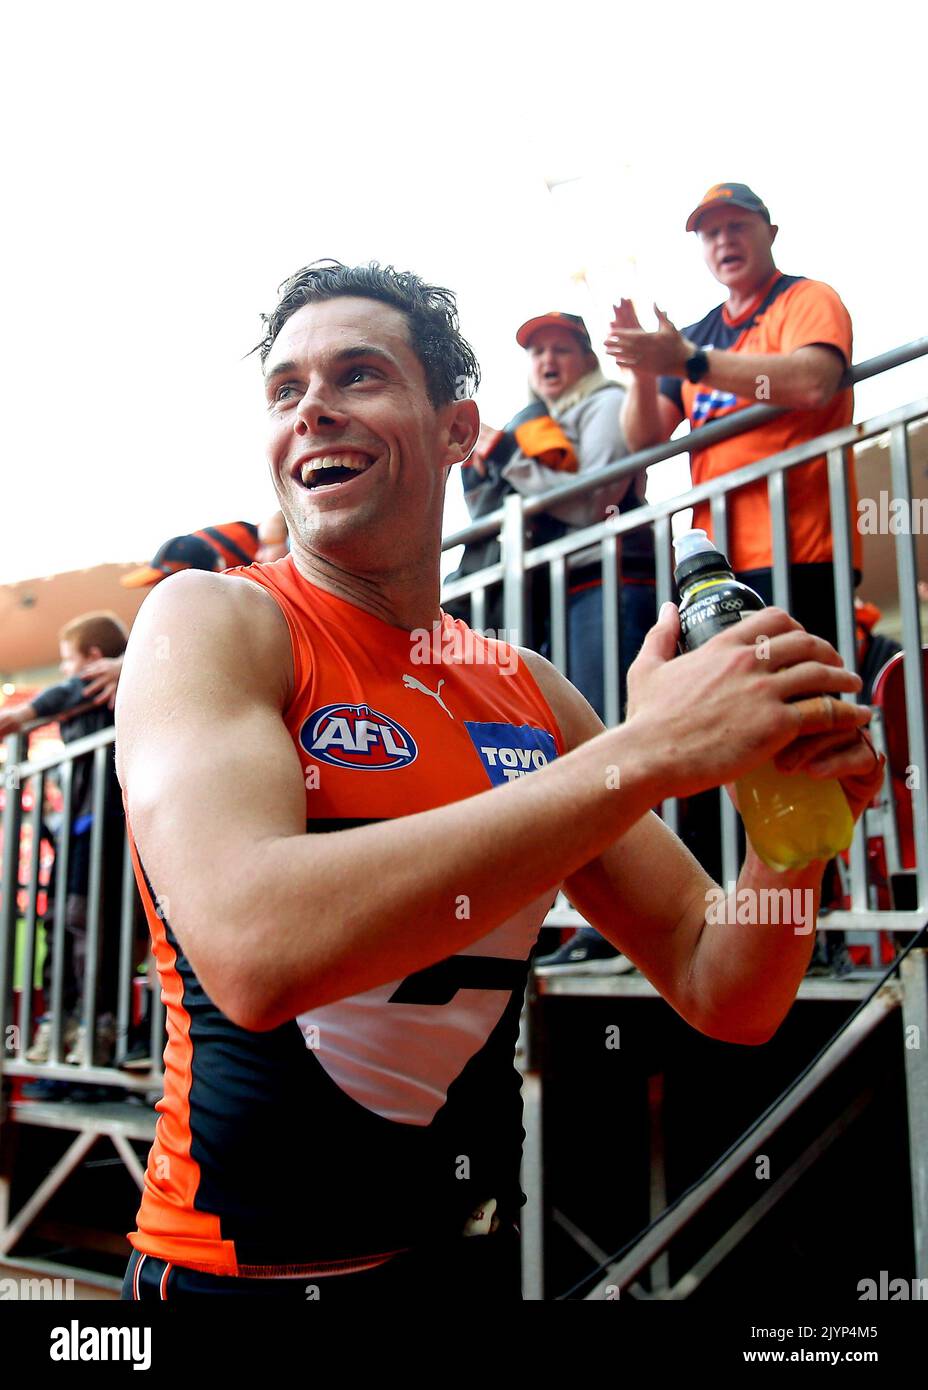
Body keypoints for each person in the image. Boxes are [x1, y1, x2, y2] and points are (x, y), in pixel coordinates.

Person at [114, 260, 881, 1301]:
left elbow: (724, 988)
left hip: (461, 1267)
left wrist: (793, 821)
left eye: (358, 375)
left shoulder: (526, 689)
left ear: (457, 430)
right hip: (237, 1280)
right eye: (285, 390)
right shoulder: (214, 619)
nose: (315, 411)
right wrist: (645, 751)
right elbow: (258, 950)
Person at [606, 181, 861, 652]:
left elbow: (813, 380)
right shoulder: (696, 333)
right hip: (715, 566)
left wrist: (689, 362)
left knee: (812, 704)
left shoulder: (807, 298)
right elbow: (641, 440)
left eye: (737, 226)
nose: (724, 240)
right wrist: (644, 371)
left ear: (771, 231)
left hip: (802, 548)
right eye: (710, 233)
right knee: (740, 712)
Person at [447, 311, 655, 718]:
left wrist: (506, 455)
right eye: (538, 351)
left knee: (608, 722)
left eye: (562, 349)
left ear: (588, 361)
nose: (548, 360)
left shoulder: (607, 401)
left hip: (610, 580)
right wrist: (485, 463)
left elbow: (592, 504)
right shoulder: (535, 425)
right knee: (572, 729)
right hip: (558, 591)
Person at [0, 612, 129, 1077]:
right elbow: (65, 695)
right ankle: (63, 1021)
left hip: (103, 828)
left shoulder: (120, 676)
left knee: (87, 925)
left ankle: (95, 1027)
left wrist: (19, 715)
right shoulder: (99, 684)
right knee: (61, 922)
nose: (64, 671)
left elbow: (67, 692)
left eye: (67, 660)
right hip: (78, 829)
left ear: (96, 659)